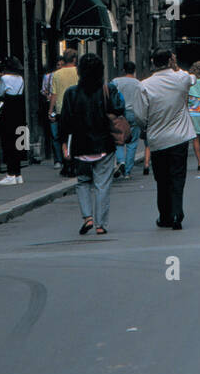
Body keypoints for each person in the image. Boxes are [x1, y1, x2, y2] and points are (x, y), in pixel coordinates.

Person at [58, 52, 124, 236]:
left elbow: (65, 121)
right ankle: (100, 224)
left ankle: (87, 217)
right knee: (103, 185)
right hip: (104, 144)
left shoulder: (71, 93)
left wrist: (64, 144)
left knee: (82, 182)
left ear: (79, 71)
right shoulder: (107, 89)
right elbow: (119, 109)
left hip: (80, 145)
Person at [139, 49, 195, 229]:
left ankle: (165, 215)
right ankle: (177, 212)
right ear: (171, 60)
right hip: (179, 136)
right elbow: (192, 78)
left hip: (157, 138)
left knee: (162, 179)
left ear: (153, 62)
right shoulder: (181, 78)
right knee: (178, 177)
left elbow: (141, 115)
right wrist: (175, 66)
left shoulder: (145, 85)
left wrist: (146, 125)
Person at [0, 57, 26, 185]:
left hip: (8, 112)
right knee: (17, 143)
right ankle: (18, 174)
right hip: (19, 112)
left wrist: (0, 78)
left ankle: (10, 174)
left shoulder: (5, 78)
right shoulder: (21, 79)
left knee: (8, 143)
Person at [110, 60, 145, 180]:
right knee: (132, 143)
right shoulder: (139, 84)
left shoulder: (116, 81)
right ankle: (127, 172)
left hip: (120, 114)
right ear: (134, 71)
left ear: (123, 70)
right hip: (134, 113)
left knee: (118, 139)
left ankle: (121, 161)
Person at [49, 48, 80, 177]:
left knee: (63, 137)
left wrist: (50, 110)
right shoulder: (79, 72)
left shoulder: (56, 74)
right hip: (77, 109)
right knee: (77, 136)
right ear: (74, 59)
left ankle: (66, 162)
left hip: (62, 109)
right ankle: (75, 163)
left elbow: (54, 94)